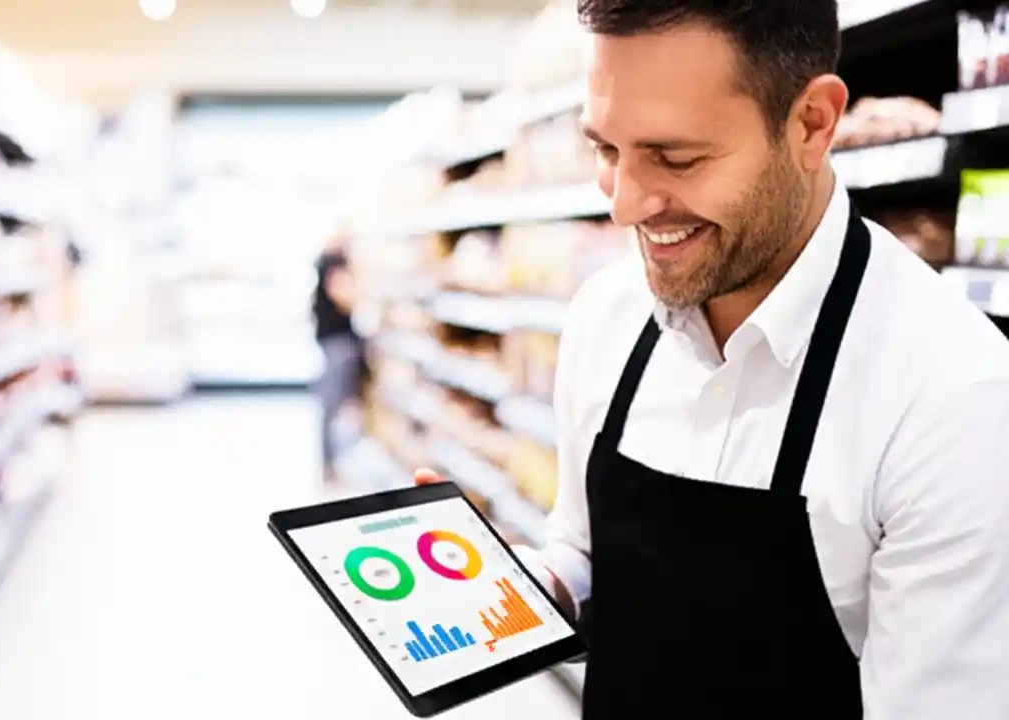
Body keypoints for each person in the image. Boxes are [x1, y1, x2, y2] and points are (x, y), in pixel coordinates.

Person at [419, 2, 1009, 718]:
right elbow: (584, 548)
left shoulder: (953, 395)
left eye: (676, 158)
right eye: (606, 151)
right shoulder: (605, 318)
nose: (625, 206)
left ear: (812, 123)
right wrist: (525, 590)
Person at [312, 235, 364, 482]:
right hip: (338, 341)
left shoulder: (326, 261)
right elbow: (342, 296)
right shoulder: (334, 261)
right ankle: (330, 467)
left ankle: (334, 464)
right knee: (333, 405)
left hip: (333, 339)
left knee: (339, 405)